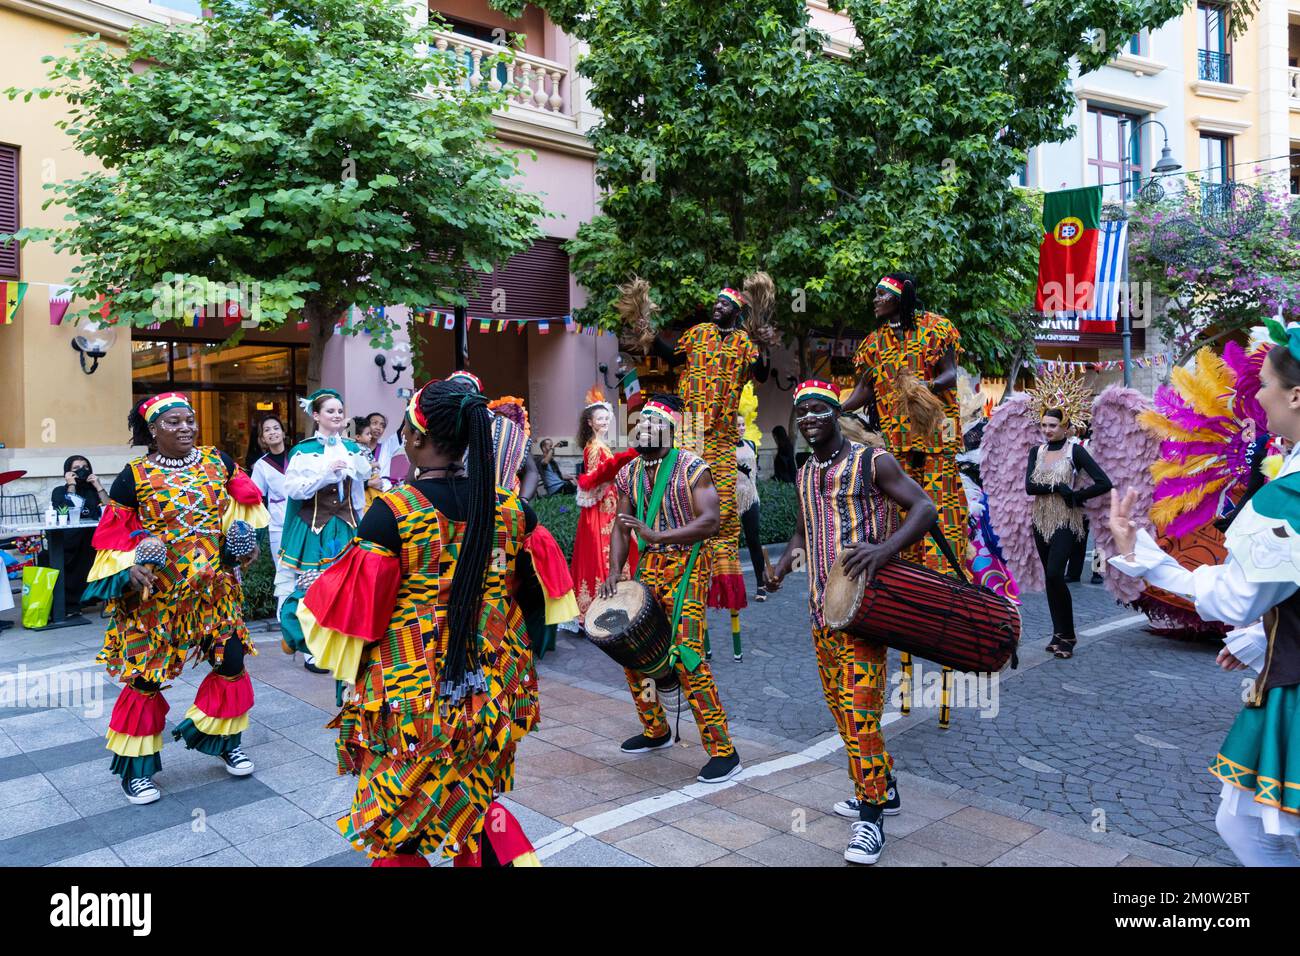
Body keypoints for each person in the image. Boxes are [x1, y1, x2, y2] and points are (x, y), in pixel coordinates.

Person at [297, 378, 543, 866]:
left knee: (402, 824)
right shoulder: (514, 510)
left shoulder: (393, 514)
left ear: (412, 437)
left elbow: (355, 619)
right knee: (476, 807)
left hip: (414, 692)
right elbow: (536, 601)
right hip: (496, 687)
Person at [1108, 320, 1300, 866]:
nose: (1257, 394)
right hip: (1284, 666)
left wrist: (1146, 558)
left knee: (1251, 826)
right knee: (1243, 823)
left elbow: (1234, 600)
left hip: (1294, 686)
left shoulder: (1288, 496)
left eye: (1263, 383)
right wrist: (1265, 638)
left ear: (1296, 395)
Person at [766, 380, 937, 865]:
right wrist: (781, 568)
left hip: (864, 610)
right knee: (842, 710)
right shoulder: (803, 470)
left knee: (862, 714)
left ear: (836, 413)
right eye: (802, 412)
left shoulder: (871, 461)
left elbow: (924, 507)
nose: (808, 418)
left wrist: (884, 551)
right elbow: (804, 528)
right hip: (821, 609)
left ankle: (870, 818)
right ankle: (885, 787)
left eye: (819, 410)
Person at [83, 393, 267, 805]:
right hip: (156, 599)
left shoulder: (217, 462)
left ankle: (225, 741)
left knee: (231, 662)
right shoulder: (134, 475)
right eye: (173, 423)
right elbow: (114, 535)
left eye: (190, 420)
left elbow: (242, 506)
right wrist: (129, 568)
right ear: (153, 431)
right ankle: (136, 772)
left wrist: (245, 541)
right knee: (147, 679)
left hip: (214, 591)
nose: (185, 428)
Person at [842, 272, 968, 726]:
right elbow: (864, 392)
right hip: (896, 451)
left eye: (881, 294)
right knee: (901, 544)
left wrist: (925, 389)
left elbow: (952, 373)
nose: (874, 300)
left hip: (935, 445)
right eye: (875, 293)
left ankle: (951, 634)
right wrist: (833, 408)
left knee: (940, 540)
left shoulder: (937, 327)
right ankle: (903, 637)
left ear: (901, 298)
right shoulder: (873, 343)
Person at [601, 393, 743, 784]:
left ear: (668, 428)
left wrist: (659, 535)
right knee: (634, 648)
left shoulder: (693, 468)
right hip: (650, 564)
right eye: (638, 422)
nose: (642, 428)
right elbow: (622, 524)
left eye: (650, 423)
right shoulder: (629, 472)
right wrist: (614, 567)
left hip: (691, 565)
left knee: (687, 657)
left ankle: (723, 751)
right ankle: (656, 730)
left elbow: (711, 521)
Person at [649, 279, 773, 613]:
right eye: (715, 302)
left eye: (724, 304)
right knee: (679, 497)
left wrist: (763, 345)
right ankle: (677, 571)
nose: (717, 307)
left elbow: (761, 373)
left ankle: (722, 584)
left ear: (737, 311)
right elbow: (670, 356)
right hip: (690, 430)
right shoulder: (697, 333)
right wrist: (647, 330)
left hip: (720, 436)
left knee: (725, 510)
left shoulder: (745, 342)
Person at [276, 388, 372, 673]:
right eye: (330, 411)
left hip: (345, 527)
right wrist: (324, 473)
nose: (337, 415)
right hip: (314, 528)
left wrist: (361, 523)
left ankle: (340, 641)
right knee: (311, 584)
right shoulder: (304, 451)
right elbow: (292, 489)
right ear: (316, 415)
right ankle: (310, 647)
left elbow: (357, 493)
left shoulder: (354, 450)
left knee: (345, 586)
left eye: (340, 411)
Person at [1025, 404, 1112, 659]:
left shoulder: (1075, 451)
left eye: (1053, 426)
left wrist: (1076, 495)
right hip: (1040, 520)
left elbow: (1104, 482)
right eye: (1044, 425)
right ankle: (1057, 633)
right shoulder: (1036, 451)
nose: (1047, 430)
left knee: (1055, 573)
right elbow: (1030, 486)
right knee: (1050, 579)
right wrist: (1057, 487)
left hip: (1066, 520)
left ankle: (1069, 635)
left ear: (1065, 427)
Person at [570, 387, 639, 624]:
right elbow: (593, 479)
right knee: (605, 549)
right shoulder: (595, 447)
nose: (605, 422)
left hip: (608, 502)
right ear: (590, 422)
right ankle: (604, 603)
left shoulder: (598, 444)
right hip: (602, 507)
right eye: (600, 419)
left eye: (607, 418)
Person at [52, 455, 109, 615]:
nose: (82, 470)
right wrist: (71, 485)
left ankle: (92, 598)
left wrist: (97, 485)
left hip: (94, 537)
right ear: (68, 472)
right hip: (71, 537)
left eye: (85, 467)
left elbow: (110, 509)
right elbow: (66, 510)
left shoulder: (93, 491)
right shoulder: (59, 491)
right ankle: (70, 603)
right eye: (76, 468)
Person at [249, 415, 290, 607]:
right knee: (283, 577)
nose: (272, 432)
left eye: (276, 428)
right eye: (267, 430)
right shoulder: (261, 465)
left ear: (283, 432)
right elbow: (256, 498)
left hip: (304, 524)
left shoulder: (298, 455)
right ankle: (285, 622)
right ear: (262, 439)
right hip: (279, 526)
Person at [736, 410, 766, 606]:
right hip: (730, 499)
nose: (740, 429)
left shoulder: (751, 444)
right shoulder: (722, 449)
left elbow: (756, 471)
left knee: (753, 540)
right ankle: (730, 588)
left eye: (742, 425)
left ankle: (760, 584)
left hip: (750, 497)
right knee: (727, 545)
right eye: (736, 425)